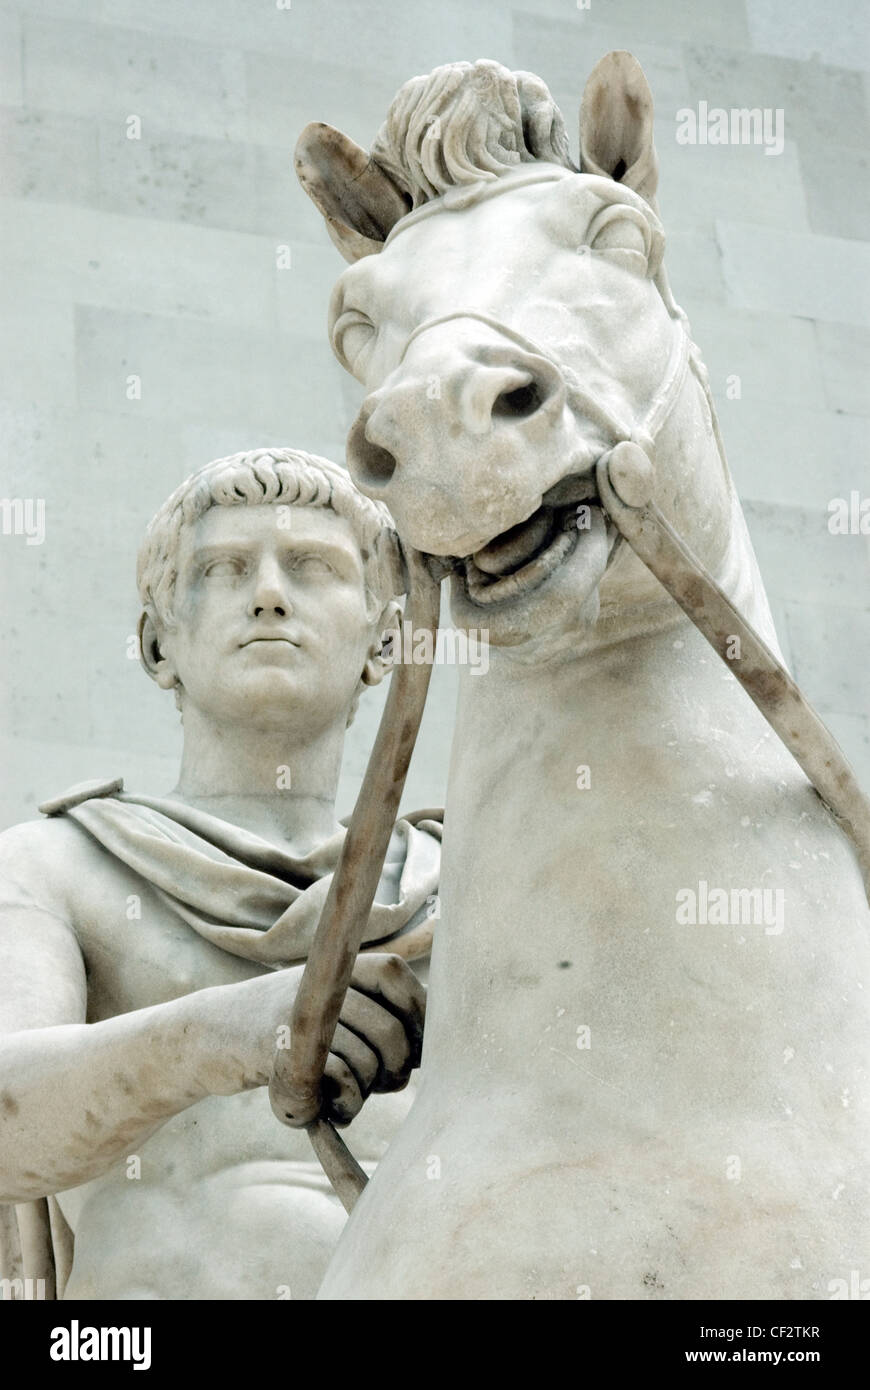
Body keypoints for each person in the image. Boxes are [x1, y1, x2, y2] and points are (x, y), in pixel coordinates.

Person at [0, 448, 440, 1300]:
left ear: (386, 640)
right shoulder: (57, 864)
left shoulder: (461, 889)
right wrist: (229, 1033)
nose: (269, 592)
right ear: (158, 644)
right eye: (224, 567)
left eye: (312, 567)